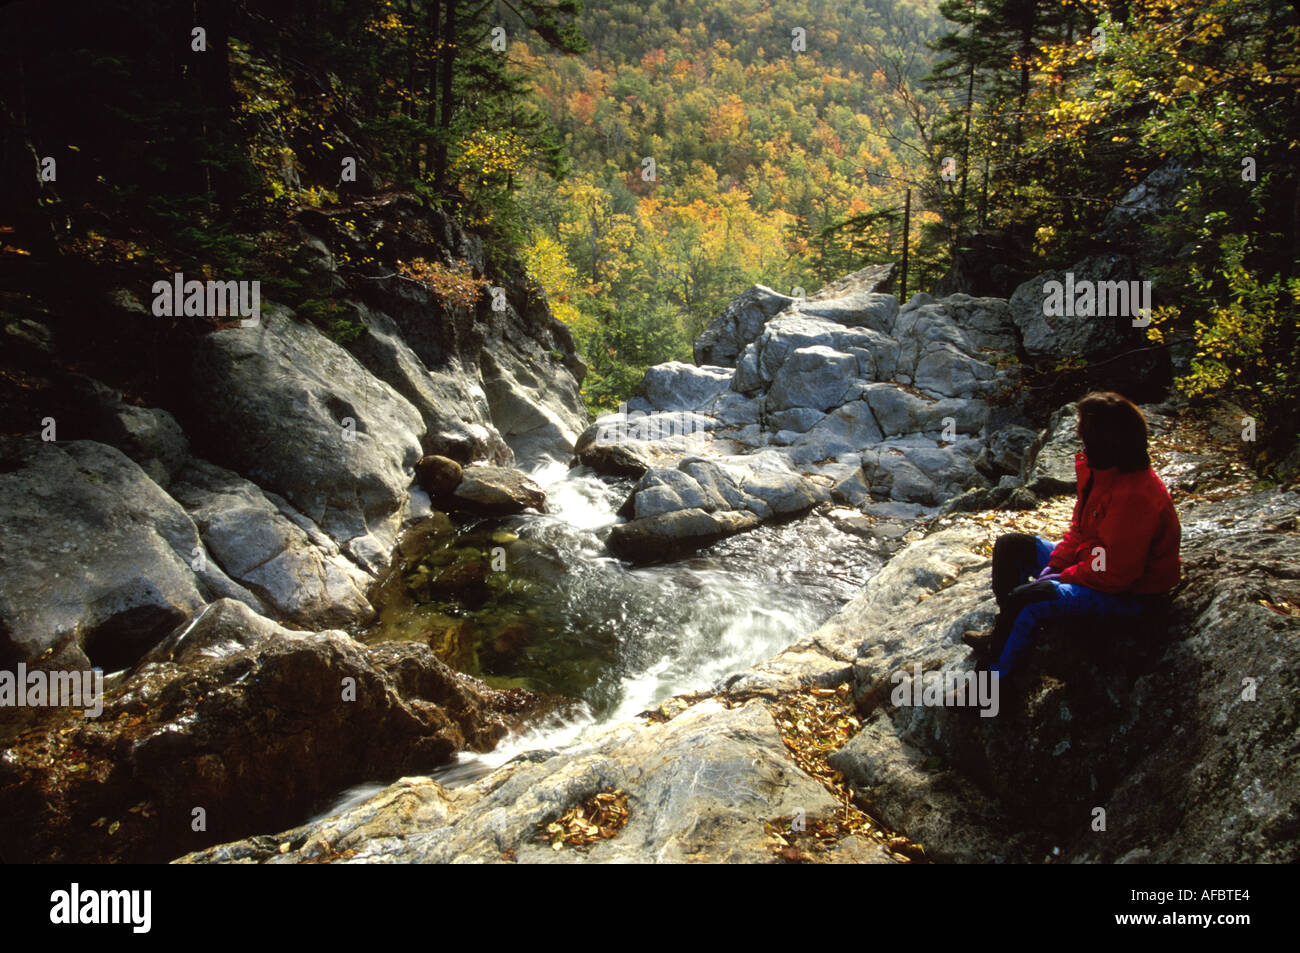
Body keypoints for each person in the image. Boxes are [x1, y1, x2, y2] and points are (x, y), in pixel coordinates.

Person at [963, 392, 1182, 680]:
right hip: (1099, 562)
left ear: (1108, 442)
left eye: (1086, 438)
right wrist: (1056, 564)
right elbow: (1080, 531)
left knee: (1031, 599)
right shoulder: (1102, 474)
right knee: (1011, 547)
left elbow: (1117, 574)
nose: (1082, 444)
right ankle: (1005, 631)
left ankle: (990, 689)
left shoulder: (1137, 497)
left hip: (1132, 595)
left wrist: (1062, 577)